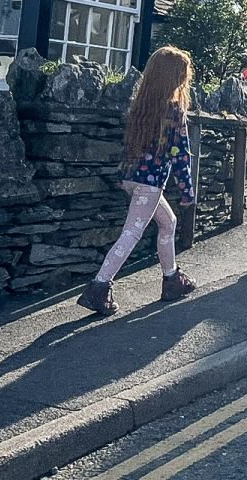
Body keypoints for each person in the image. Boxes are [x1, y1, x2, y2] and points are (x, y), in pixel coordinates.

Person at [78, 46, 198, 316]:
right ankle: (99, 286)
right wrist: (187, 191)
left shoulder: (141, 106)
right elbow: (180, 155)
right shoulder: (173, 111)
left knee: (168, 222)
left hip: (132, 178)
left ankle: (172, 279)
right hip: (150, 183)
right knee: (131, 233)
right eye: (182, 74)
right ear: (174, 77)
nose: (184, 79)